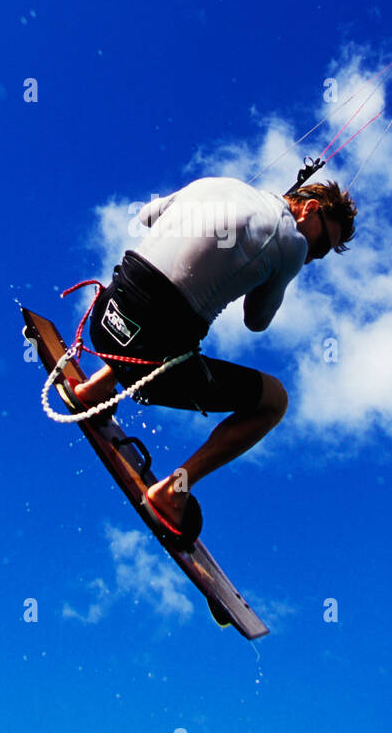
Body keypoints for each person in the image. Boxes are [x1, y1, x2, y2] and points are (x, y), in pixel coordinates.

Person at [67, 175, 357, 548]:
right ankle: (173, 491)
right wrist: (277, 262)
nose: (315, 255)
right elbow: (257, 322)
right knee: (275, 401)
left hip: (105, 321)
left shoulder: (219, 182)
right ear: (310, 209)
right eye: (321, 245)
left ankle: (96, 387)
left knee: (173, 309)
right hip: (150, 364)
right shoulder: (293, 245)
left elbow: (146, 217)